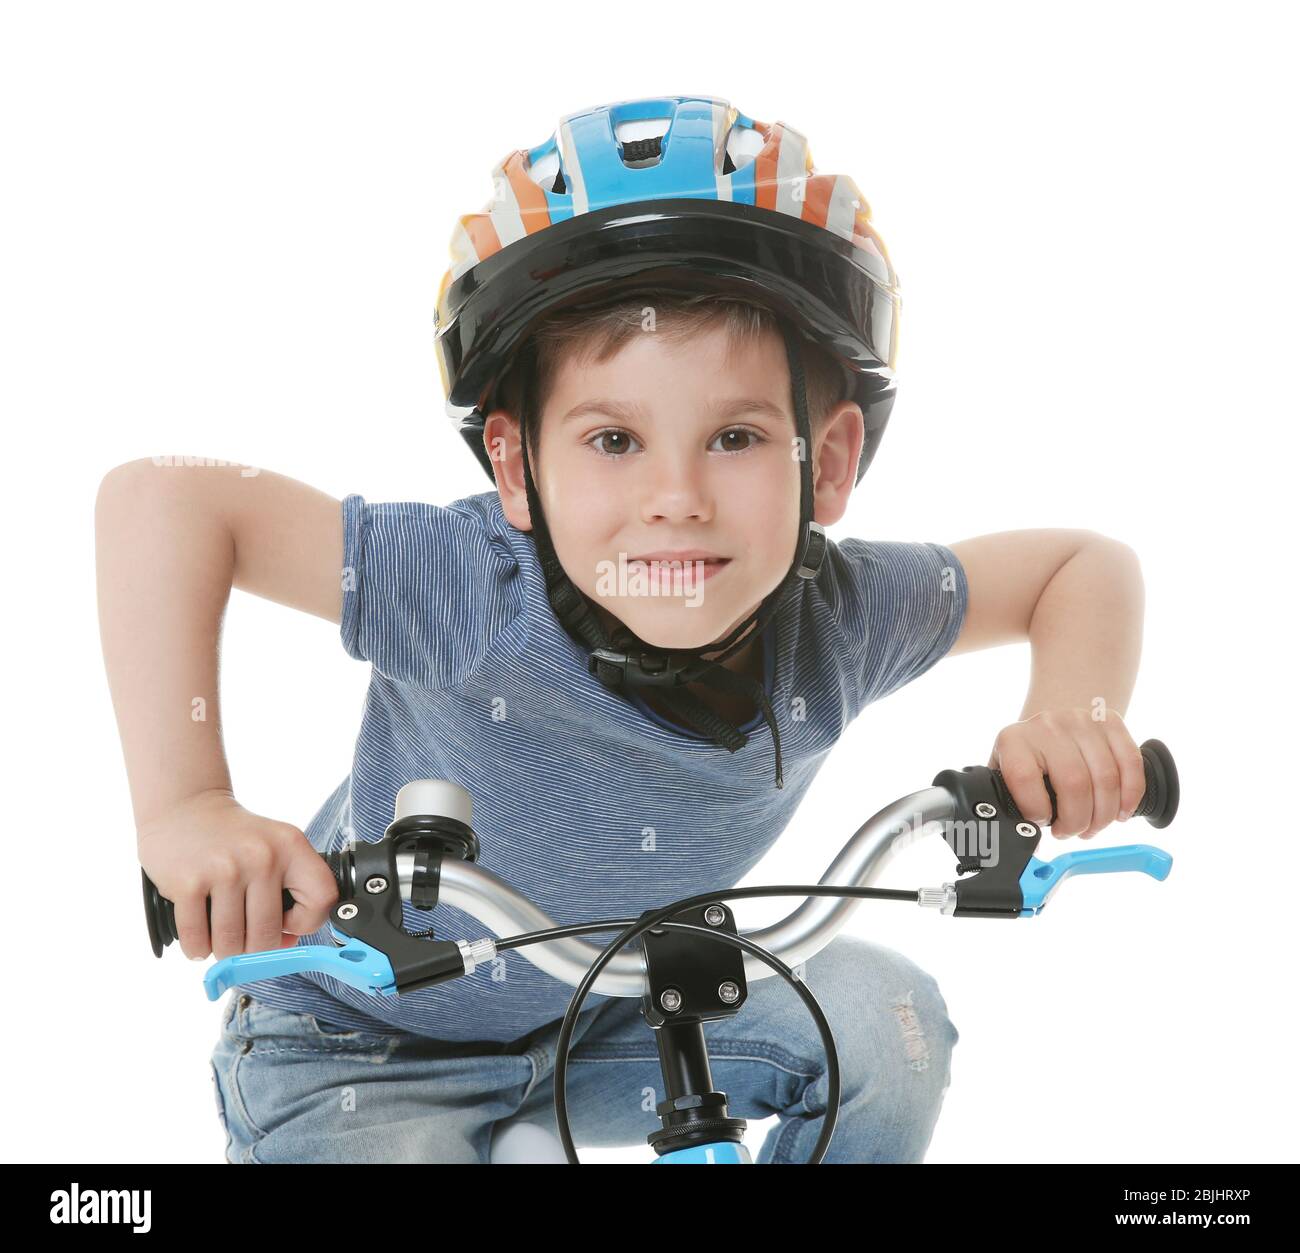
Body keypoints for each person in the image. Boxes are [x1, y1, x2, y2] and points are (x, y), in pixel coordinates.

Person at [96, 95, 1149, 1164]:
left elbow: (1080, 567)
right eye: (613, 440)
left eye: (735, 436)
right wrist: (189, 805)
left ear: (823, 462)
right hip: (355, 1040)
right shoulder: (467, 586)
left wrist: (1074, 708)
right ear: (515, 467)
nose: (675, 496)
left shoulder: (838, 619)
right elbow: (163, 503)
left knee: (891, 1022)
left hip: (608, 1010)